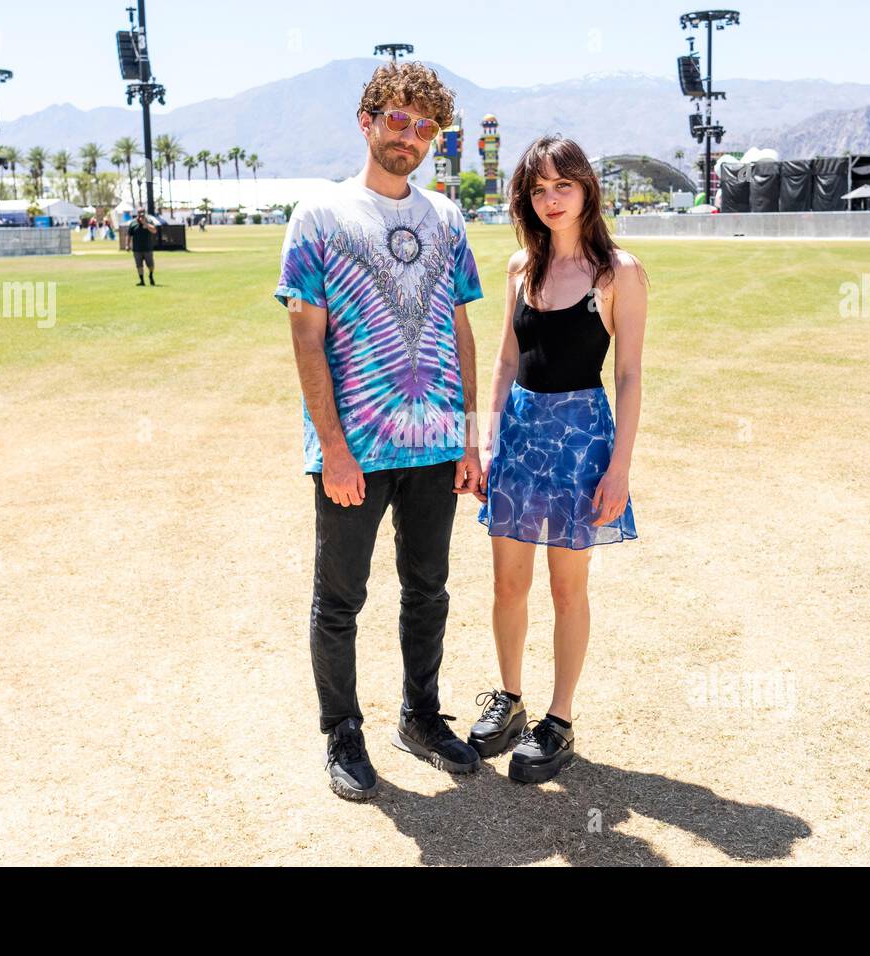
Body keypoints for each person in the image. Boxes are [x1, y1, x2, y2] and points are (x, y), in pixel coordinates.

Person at [274, 61, 485, 801]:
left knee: (429, 590)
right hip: (355, 450)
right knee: (341, 600)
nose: (412, 138)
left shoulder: (448, 218)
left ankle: (420, 718)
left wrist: (471, 436)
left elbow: (460, 328)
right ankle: (343, 734)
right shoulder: (321, 215)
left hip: (435, 447)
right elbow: (307, 339)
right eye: (398, 121)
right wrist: (331, 446)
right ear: (366, 122)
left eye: (426, 128)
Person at [470, 135, 646, 784]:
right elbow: (506, 358)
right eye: (539, 188)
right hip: (517, 439)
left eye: (562, 185)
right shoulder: (520, 266)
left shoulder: (617, 273)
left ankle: (559, 720)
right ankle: (509, 703)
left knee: (567, 588)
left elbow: (628, 375)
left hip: (581, 443)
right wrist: (484, 439)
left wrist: (620, 468)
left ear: (586, 189)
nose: (551, 199)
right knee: (506, 584)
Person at [128, 211, 158, 286]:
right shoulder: (133, 223)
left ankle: (151, 276)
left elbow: (154, 231)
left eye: (143, 213)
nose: (141, 215)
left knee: (150, 265)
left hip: (147, 248)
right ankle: (142, 281)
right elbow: (129, 235)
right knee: (139, 265)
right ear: (137, 214)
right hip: (137, 249)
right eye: (140, 213)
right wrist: (127, 245)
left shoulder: (149, 221)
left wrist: (145, 224)